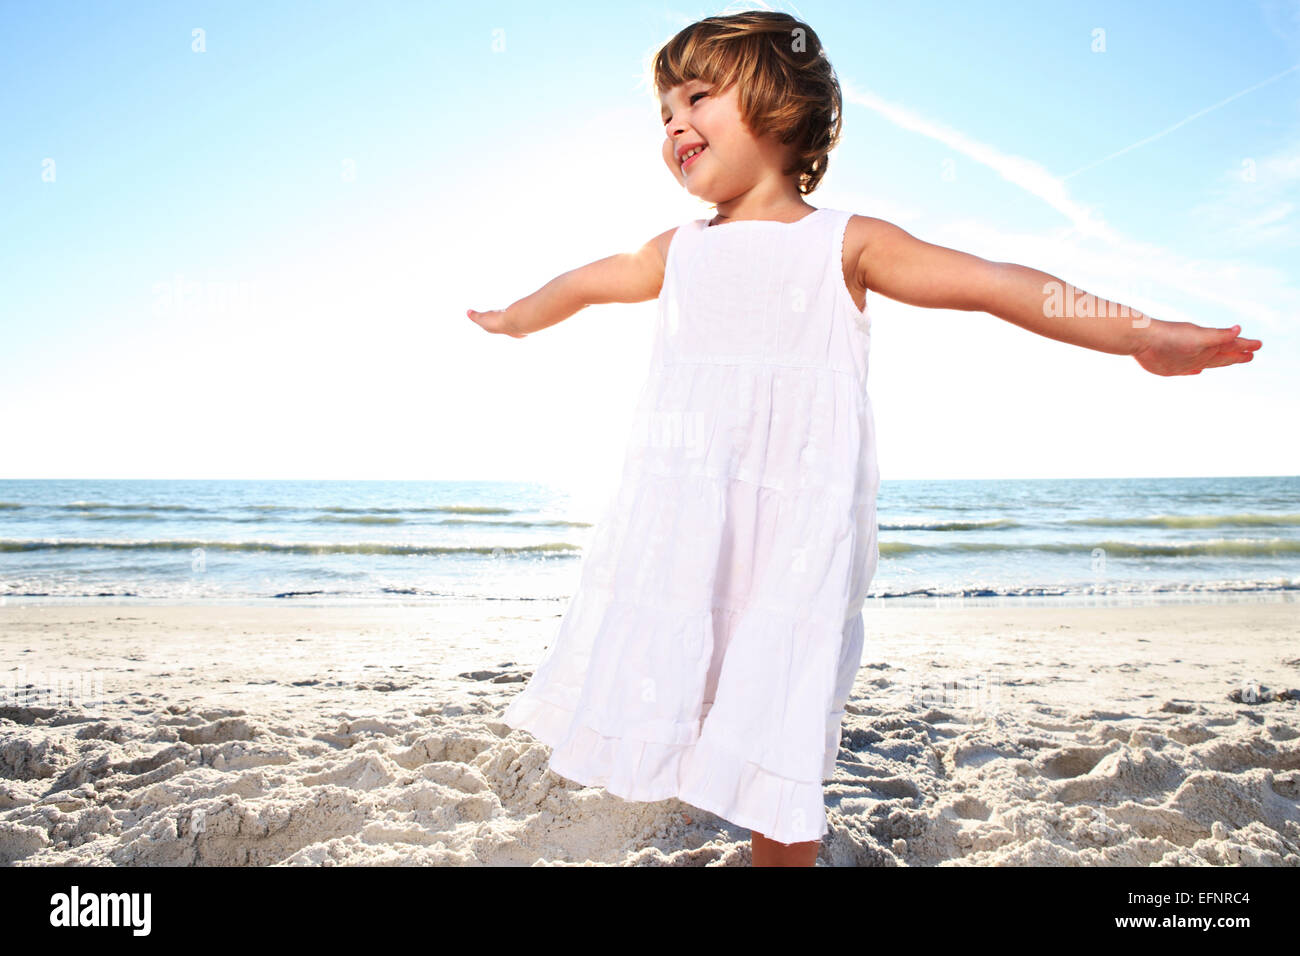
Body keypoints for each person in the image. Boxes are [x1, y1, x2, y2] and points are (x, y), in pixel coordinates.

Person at [466, 10, 1261, 867]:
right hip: (689, 527)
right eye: (662, 112)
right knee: (682, 688)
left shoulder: (843, 244)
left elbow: (995, 285)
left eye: (697, 96)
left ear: (778, 105)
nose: (673, 124)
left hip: (799, 537)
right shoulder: (677, 251)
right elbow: (589, 282)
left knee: (785, 710)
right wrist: (518, 319)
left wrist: (1141, 333)